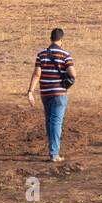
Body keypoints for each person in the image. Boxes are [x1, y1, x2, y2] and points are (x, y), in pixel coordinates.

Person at [28, 27, 75, 162]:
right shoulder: (65, 55)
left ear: (50, 39)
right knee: (56, 122)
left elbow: (37, 74)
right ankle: (54, 154)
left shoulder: (41, 54)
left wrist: (30, 91)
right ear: (62, 40)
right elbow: (73, 73)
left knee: (49, 121)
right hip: (59, 93)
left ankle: (52, 149)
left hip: (45, 92)